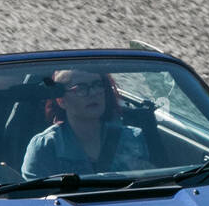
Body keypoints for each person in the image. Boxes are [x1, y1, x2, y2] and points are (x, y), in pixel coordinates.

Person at [22, 69, 150, 179]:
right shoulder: (45, 146)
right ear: (61, 101)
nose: (93, 93)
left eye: (98, 85)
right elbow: (34, 200)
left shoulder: (132, 137)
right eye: (81, 88)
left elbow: (148, 186)